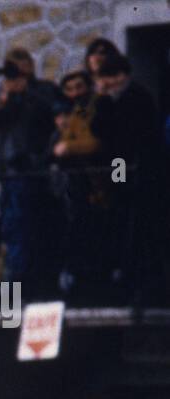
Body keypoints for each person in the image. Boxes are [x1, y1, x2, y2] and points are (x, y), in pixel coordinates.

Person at [0, 51, 61, 300]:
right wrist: (3, 98)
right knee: (11, 230)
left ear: (30, 67)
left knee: (27, 230)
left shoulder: (43, 90)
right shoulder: (0, 91)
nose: (14, 76)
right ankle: (14, 282)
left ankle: (21, 285)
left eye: (19, 70)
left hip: (30, 170)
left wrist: (25, 94)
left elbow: (51, 116)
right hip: (4, 172)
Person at [92, 54, 166, 304]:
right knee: (121, 219)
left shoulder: (136, 98)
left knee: (136, 224)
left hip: (137, 168)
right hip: (121, 164)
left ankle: (139, 283)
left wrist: (119, 179)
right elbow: (100, 129)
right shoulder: (112, 99)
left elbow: (125, 137)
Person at [50, 70, 106, 300]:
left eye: (79, 87)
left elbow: (97, 143)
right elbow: (51, 153)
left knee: (92, 233)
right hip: (65, 191)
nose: (75, 94)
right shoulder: (61, 129)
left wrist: (69, 149)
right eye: (69, 89)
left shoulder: (92, 111)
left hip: (97, 181)